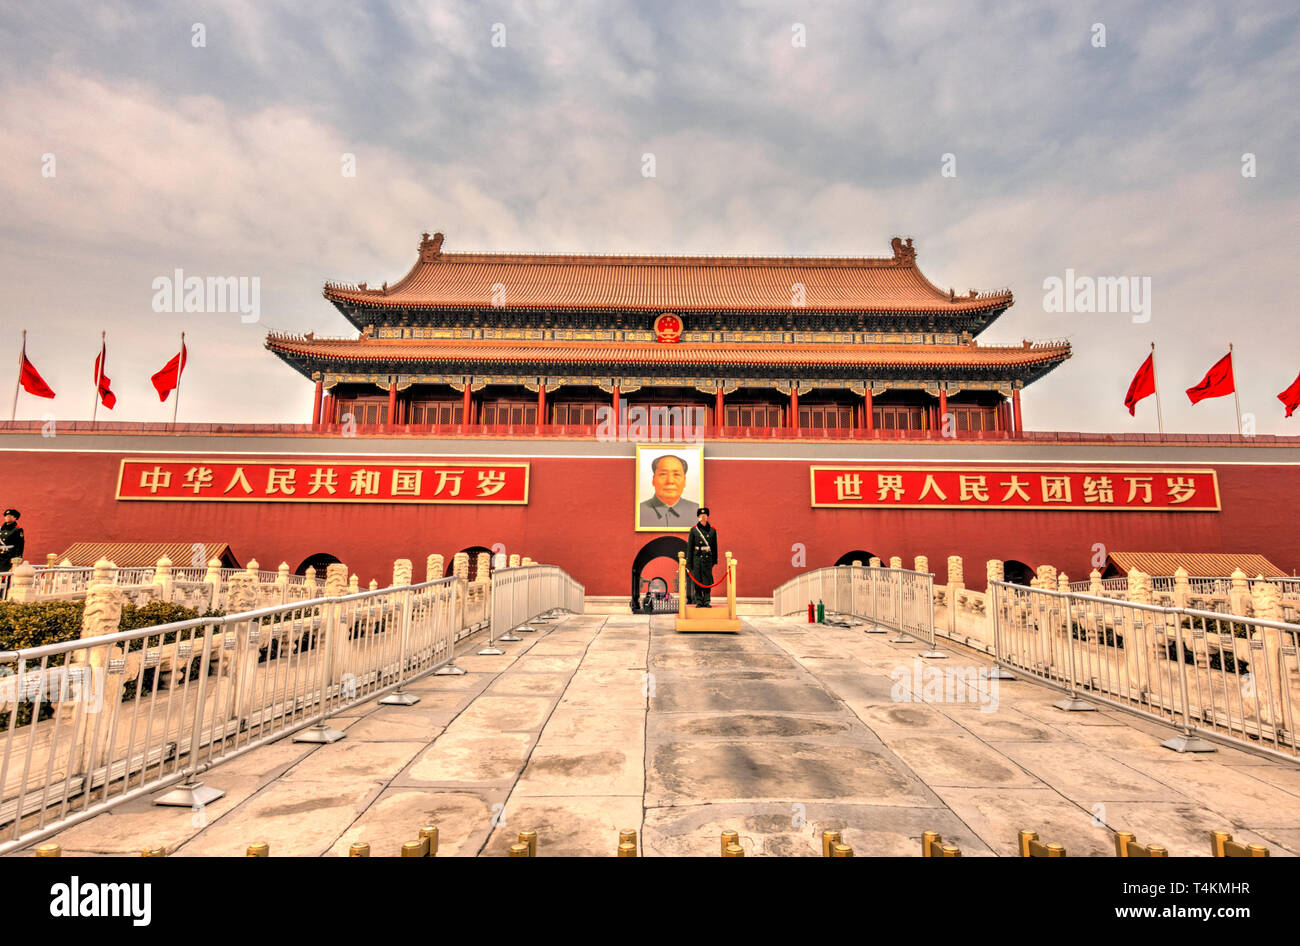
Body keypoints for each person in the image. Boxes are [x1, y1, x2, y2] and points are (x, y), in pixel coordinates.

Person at [638, 453, 700, 528]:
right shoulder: (637, 512)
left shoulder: (699, 513)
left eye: (676, 475)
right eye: (663, 474)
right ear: (653, 480)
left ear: (684, 481)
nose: (670, 481)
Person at [686, 507, 718, 607]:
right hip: (697, 558)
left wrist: (714, 560)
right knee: (697, 580)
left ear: (707, 517)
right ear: (698, 517)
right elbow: (690, 547)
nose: (703, 517)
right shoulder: (693, 531)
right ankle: (699, 601)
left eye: (705, 515)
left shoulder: (712, 531)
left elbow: (714, 547)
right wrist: (689, 561)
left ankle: (707, 601)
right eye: (701, 515)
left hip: (707, 558)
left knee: (707, 580)